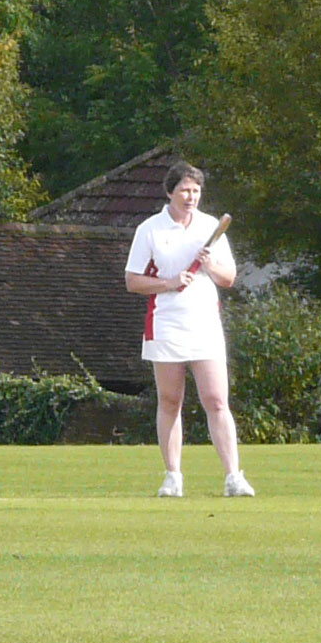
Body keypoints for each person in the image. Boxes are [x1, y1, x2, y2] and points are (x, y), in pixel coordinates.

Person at [124, 160, 252, 499]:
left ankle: (233, 477)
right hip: (165, 323)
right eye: (184, 190)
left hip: (204, 325)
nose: (191, 196)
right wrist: (168, 283)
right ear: (170, 192)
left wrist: (209, 264)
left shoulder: (211, 227)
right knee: (169, 400)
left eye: (196, 191)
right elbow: (133, 281)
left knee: (216, 400)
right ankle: (173, 476)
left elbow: (229, 278)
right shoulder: (149, 230)